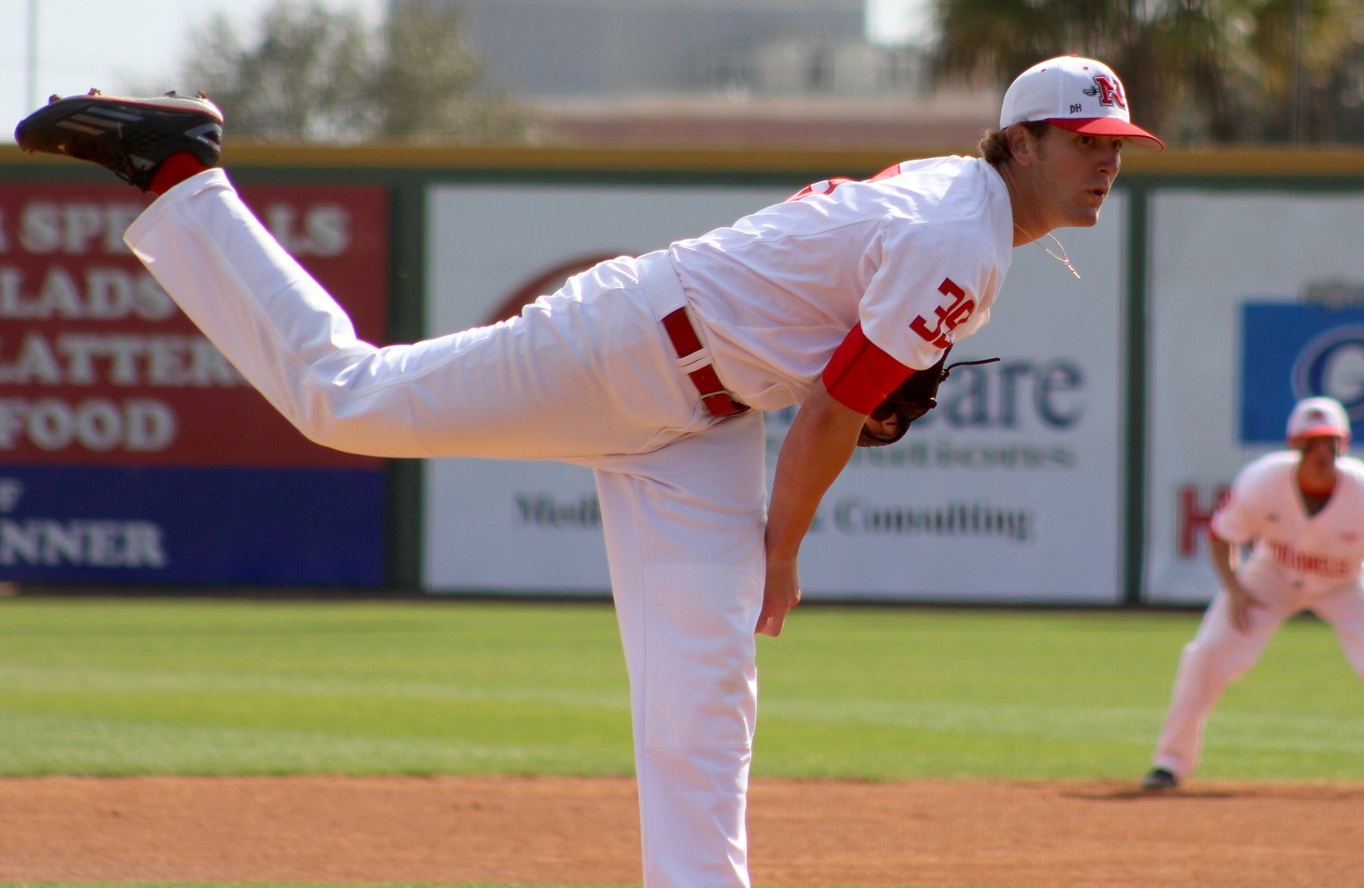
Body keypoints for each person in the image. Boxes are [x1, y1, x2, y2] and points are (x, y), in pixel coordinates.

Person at [14, 55, 1162, 888]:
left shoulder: (953, 203)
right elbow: (831, 412)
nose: (1103, 163)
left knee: (704, 687)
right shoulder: (959, 235)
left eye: (1113, 147)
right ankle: (179, 169)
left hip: (700, 414)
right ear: (1017, 140)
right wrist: (782, 550)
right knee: (342, 396)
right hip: (628, 351)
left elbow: (828, 375)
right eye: (1081, 140)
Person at [1140, 396, 1364, 797]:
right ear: (1294, 446)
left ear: (1345, 446)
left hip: (1351, 581)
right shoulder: (1262, 481)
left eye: (1331, 443)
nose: (1322, 452)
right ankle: (1169, 763)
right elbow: (1222, 536)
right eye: (1312, 443)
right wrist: (1235, 590)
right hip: (1271, 575)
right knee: (1207, 653)